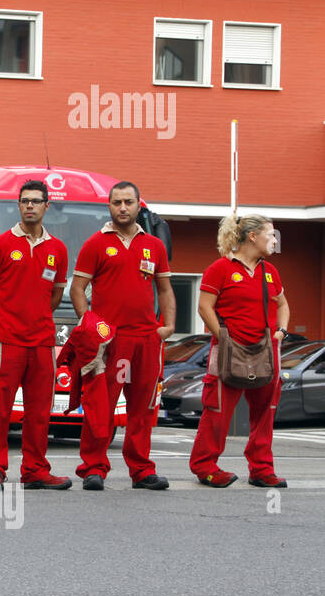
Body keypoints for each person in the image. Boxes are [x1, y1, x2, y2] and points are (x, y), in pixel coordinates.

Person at [70, 181, 175, 491]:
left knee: (142, 409)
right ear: (109, 206)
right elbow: (78, 288)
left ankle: (142, 470)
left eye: (128, 202)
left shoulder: (154, 245)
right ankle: (93, 468)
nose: (123, 208)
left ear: (139, 204)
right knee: (100, 407)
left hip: (146, 339)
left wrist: (168, 325)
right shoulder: (96, 243)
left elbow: (165, 288)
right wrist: (90, 326)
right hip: (109, 342)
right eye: (117, 202)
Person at [0, 179, 71, 491]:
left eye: (36, 201)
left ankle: (35, 471)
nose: (30, 205)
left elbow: (54, 297)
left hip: (43, 342)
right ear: (18, 205)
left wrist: (36, 317)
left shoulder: (58, 249)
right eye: (25, 201)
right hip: (5, 340)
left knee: (40, 412)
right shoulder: (0, 245)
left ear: (46, 206)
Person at [189, 214, 290, 488]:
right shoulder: (220, 268)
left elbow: (283, 304)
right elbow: (204, 307)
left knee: (264, 413)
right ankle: (205, 467)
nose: (275, 240)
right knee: (217, 411)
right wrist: (223, 337)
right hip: (228, 352)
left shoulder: (270, 271)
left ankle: (261, 469)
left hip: (265, 352)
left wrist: (280, 333)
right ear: (253, 236)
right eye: (271, 234)